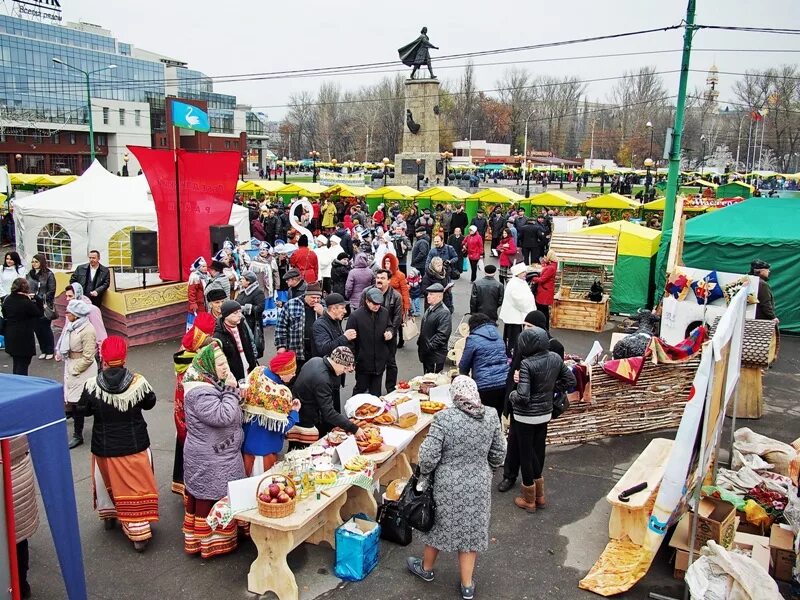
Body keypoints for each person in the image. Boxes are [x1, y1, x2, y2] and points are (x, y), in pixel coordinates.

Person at [406, 376, 506, 600]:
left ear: (454, 395)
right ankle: (467, 585)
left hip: (447, 483)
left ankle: (426, 569)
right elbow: (499, 453)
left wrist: (424, 475)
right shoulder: (490, 415)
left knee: (438, 526)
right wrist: (485, 468)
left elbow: (428, 456)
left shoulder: (444, 418)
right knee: (471, 531)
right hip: (479, 483)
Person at [77, 336, 159, 552]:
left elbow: (82, 410)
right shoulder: (138, 382)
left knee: (107, 483)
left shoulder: (92, 385)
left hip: (104, 448)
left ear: (103, 357)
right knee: (136, 488)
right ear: (124, 357)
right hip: (135, 446)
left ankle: (110, 515)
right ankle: (139, 532)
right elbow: (150, 403)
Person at [181, 342, 245, 558]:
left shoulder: (209, 380)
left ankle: (227, 536)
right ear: (207, 365)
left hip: (220, 453)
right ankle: (211, 543)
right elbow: (222, 416)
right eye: (219, 364)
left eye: (225, 362)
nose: (225, 367)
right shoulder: (199, 392)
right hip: (211, 458)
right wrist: (230, 390)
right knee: (212, 496)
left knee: (222, 492)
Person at [501, 327, 575, 511]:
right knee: (537, 451)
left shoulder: (527, 364)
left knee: (526, 455)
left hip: (526, 417)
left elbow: (524, 396)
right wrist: (549, 388)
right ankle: (540, 495)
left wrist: (512, 395)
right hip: (544, 413)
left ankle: (529, 500)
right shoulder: (555, 358)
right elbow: (570, 381)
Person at [171, 313, 217, 495]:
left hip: (182, 415)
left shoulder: (184, 355)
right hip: (195, 421)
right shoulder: (196, 367)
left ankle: (182, 484)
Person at [241, 356, 301, 476]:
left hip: (248, 442)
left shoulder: (257, 372)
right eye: (292, 372)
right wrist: (294, 412)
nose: (294, 375)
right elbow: (282, 427)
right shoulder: (279, 393)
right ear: (282, 373)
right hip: (264, 451)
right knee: (263, 487)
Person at [293, 346, 367, 438]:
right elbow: (328, 413)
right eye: (344, 368)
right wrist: (354, 428)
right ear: (337, 362)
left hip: (297, 413)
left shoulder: (315, 360)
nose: (344, 372)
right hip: (306, 421)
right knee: (302, 449)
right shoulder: (323, 379)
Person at [57, 299, 98, 449]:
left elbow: (89, 356)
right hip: (71, 365)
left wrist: (76, 369)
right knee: (74, 402)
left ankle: (78, 435)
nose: (66, 314)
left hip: (82, 369)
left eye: (69, 312)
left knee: (82, 403)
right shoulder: (71, 327)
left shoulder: (87, 330)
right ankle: (77, 433)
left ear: (76, 314)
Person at [2, 436, 39, 599]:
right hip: (19, 469)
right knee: (18, 538)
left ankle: (20, 585)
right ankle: (21, 586)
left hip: (13, 471)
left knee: (16, 539)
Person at [458, 314, 509, 417]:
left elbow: (464, 364)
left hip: (484, 385)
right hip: (503, 383)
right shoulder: (498, 336)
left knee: (483, 418)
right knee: (496, 417)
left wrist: (463, 377)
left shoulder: (473, 339)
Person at [347, 288, 392, 395]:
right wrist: (351, 361)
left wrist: (390, 332)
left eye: (379, 304)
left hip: (380, 361)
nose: (377, 306)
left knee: (376, 392)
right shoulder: (355, 316)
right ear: (367, 301)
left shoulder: (384, 313)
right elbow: (350, 342)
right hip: (363, 362)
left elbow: (390, 326)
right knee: (360, 390)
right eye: (374, 303)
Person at [275, 282, 324, 370]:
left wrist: (323, 313)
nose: (316, 300)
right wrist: (281, 346)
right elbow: (281, 327)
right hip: (296, 351)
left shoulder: (323, 306)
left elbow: (333, 325)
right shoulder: (291, 304)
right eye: (313, 298)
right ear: (306, 295)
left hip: (316, 352)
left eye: (318, 298)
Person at [2, 278, 43, 375]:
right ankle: (21, 385)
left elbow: (5, 314)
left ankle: (16, 383)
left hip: (10, 334)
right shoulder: (26, 302)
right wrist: (37, 299)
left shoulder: (7, 300)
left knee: (16, 363)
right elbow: (39, 313)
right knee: (23, 365)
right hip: (24, 337)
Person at [214, 300, 258, 383]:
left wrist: (253, 360)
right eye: (235, 313)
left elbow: (250, 343)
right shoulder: (218, 335)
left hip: (249, 367)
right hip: (235, 374)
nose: (239, 315)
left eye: (239, 311)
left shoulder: (242, 325)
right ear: (226, 315)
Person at [498, 263, 536, 357]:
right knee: (513, 338)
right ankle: (512, 354)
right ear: (518, 273)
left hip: (517, 316)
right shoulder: (514, 284)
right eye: (523, 272)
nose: (525, 274)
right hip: (514, 317)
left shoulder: (520, 282)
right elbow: (518, 300)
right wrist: (529, 304)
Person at [24, 254, 56, 360]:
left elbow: (51, 290)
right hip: (32, 305)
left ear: (41, 262)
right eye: (33, 262)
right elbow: (25, 286)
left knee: (45, 328)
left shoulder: (49, 274)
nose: (34, 264)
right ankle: (43, 350)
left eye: (36, 262)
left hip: (44, 304)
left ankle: (50, 349)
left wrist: (39, 297)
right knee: (37, 329)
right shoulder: (30, 274)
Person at [417, 283, 452, 374]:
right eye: (428, 294)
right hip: (428, 354)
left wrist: (429, 347)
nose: (428, 296)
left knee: (433, 381)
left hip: (435, 356)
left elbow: (442, 335)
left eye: (431, 294)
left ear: (439, 297)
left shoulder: (444, 313)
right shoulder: (431, 308)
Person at [64, 283, 107, 355]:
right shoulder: (70, 309)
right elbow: (66, 329)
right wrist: (60, 349)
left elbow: (100, 333)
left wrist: (102, 353)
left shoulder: (92, 310)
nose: (67, 299)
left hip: (89, 352)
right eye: (66, 296)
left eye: (70, 296)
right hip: (72, 353)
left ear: (78, 295)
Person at [236, 272, 266, 358]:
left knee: (250, 345)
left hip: (252, 323)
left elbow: (260, 308)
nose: (240, 280)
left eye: (242, 279)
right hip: (241, 321)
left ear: (248, 281)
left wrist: (243, 308)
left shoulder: (258, 292)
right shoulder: (242, 291)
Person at [532, 251, 558, 328]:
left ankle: (544, 326)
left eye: (545, 256)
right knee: (543, 309)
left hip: (544, 292)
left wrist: (533, 278)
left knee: (543, 310)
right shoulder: (552, 265)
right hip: (545, 290)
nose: (544, 258)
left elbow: (542, 279)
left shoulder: (551, 268)